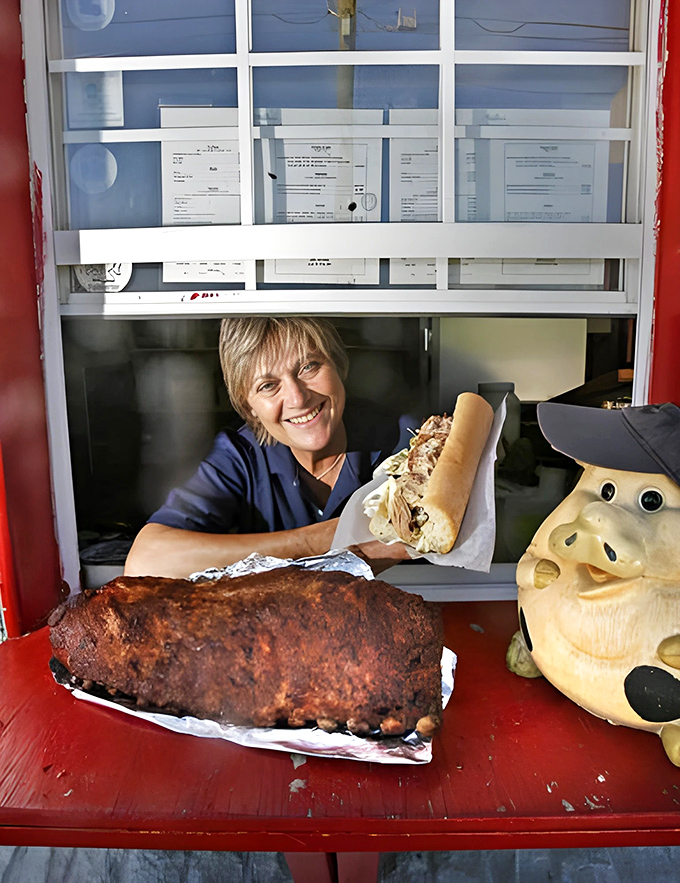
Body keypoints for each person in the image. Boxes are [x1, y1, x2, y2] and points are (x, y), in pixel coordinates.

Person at [124, 317, 415, 578]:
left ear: (339, 365)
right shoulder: (239, 456)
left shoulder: (406, 439)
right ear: (248, 408)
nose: (298, 398)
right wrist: (328, 539)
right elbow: (147, 562)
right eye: (268, 386)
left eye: (309, 367)